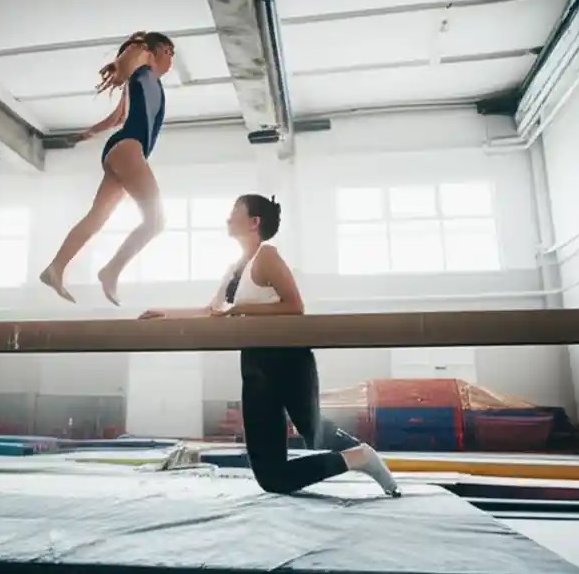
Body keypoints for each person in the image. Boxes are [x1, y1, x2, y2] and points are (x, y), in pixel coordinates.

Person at [139, 194, 400, 497]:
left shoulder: (267, 256)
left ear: (254, 222)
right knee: (271, 478)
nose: (227, 218)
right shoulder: (236, 267)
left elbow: (295, 306)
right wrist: (165, 313)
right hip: (254, 361)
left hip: (287, 356)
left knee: (313, 431)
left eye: (234, 212)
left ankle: (366, 459)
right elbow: (213, 310)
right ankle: (357, 458)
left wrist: (242, 312)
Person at [40, 31, 175, 306]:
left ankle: (55, 268)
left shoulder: (149, 83)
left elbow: (118, 117)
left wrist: (87, 133)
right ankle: (111, 271)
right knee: (156, 220)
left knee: (98, 216)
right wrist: (121, 62)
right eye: (170, 53)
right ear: (162, 50)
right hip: (129, 147)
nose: (171, 61)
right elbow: (135, 50)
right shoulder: (144, 61)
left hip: (121, 148)